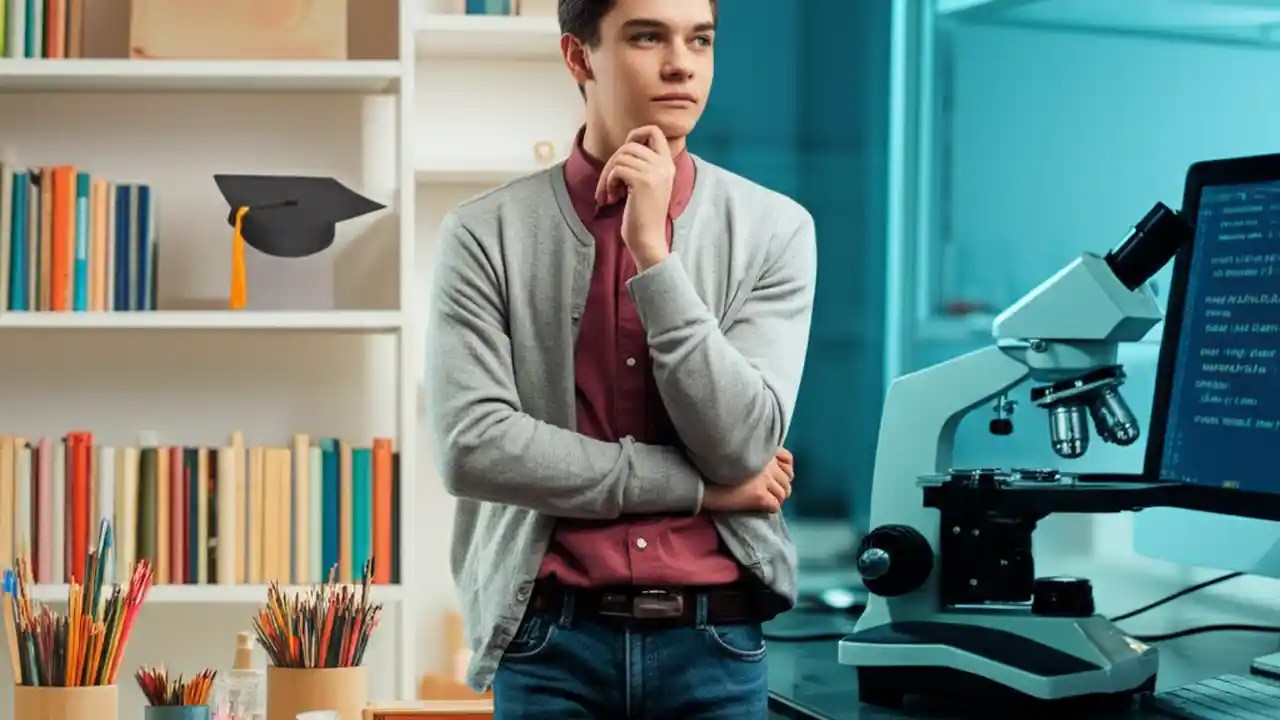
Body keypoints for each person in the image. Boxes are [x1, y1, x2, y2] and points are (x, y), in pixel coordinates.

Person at [424, 0, 817, 716]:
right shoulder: (484, 233)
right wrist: (697, 490)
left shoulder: (776, 230)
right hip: (550, 645)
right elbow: (473, 447)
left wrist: (654, 257)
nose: (682, 64)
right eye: (647, 37)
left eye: (700, 40)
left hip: (716, 644)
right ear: (579, 57)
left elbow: (743, 445)